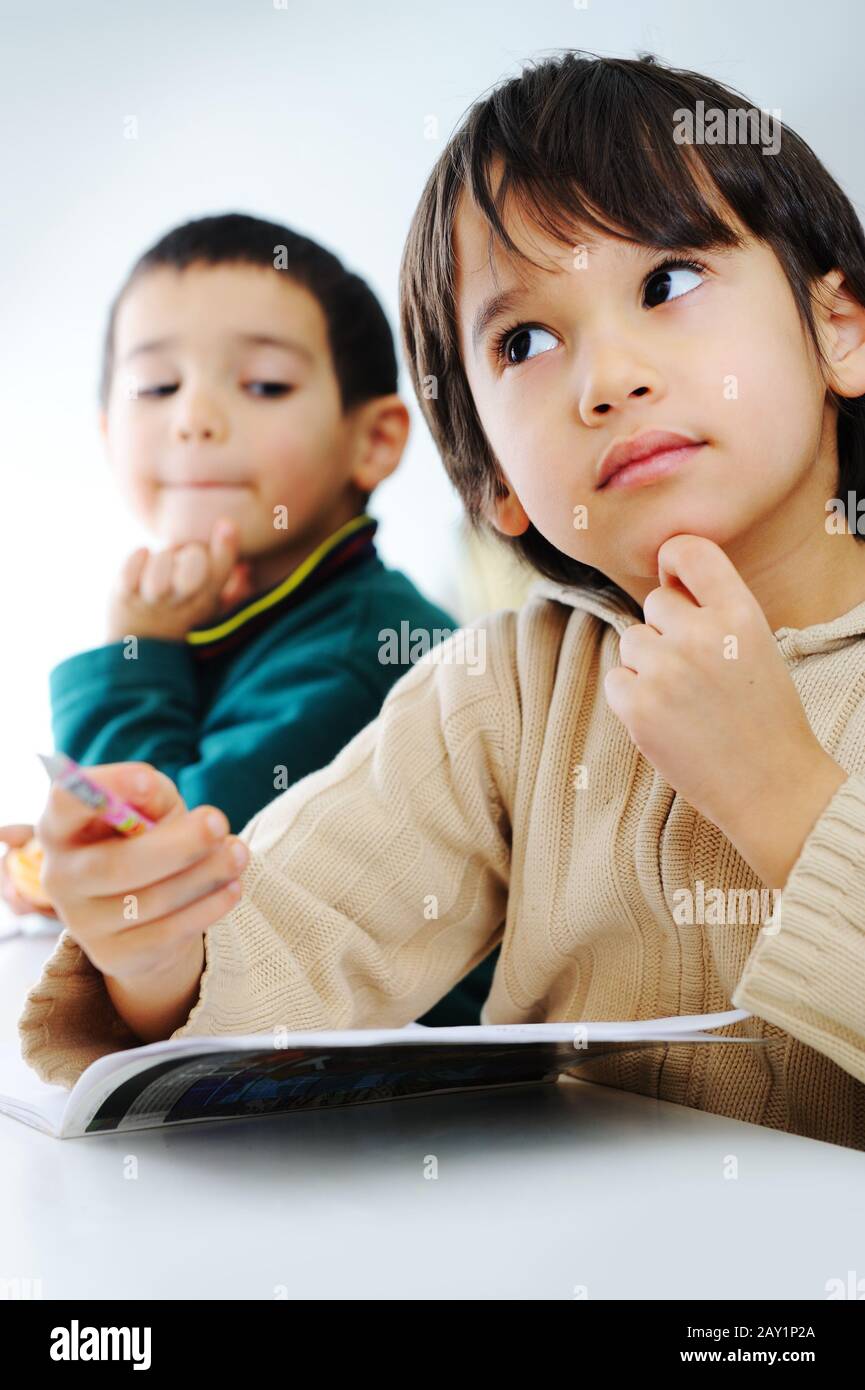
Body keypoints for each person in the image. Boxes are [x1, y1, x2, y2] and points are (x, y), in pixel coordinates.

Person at [17, 53, 865, 1149]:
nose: (606, 376)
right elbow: (289, 940)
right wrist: (150, 948)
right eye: (525, 341)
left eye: (666, 283)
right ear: (498, 484)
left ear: (839, 325)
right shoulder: (503, 690)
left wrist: (778, 796)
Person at [3, 211, 493, 1026]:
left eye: (263, 384)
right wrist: (53, 873)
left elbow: (164, 875)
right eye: (156, 387)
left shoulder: (363, 647)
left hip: (390, 1100)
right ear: (106, 434)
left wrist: (140, 651)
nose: (194, 416)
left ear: (373, 439)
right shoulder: (237, 621)